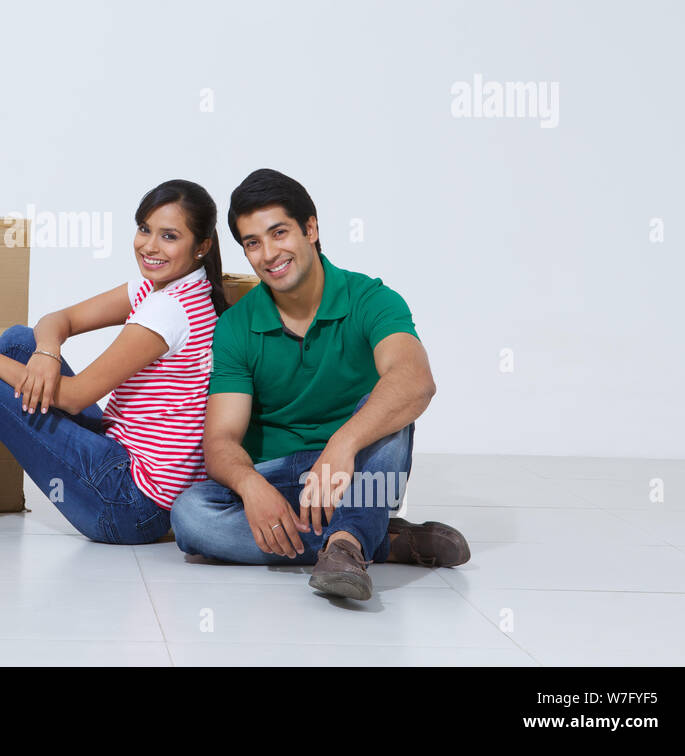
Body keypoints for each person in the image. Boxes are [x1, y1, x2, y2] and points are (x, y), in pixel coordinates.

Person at [0, 179, 227, 544]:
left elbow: (75, 397)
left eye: (169, 236)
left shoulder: (168, 310)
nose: (150, 246)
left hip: (128, 504)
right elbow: (56, 320)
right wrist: (47, 352)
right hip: (122, 459)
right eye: (145, 229)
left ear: (201, 247)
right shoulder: (164, 286)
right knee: (21, 341)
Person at [170, 169, 470, 600]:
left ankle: (348, 543)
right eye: (252, 243)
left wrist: (343, 444)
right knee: (191, 516)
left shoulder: (370, 299)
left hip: (355, 473)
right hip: (276, 478)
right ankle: (373, 539)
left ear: (310, 228)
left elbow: (415, 381)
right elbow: (219, 441)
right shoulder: (237, 325)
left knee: (388, 403)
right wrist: (253, 488)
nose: (269, 253)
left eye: (279, 232)